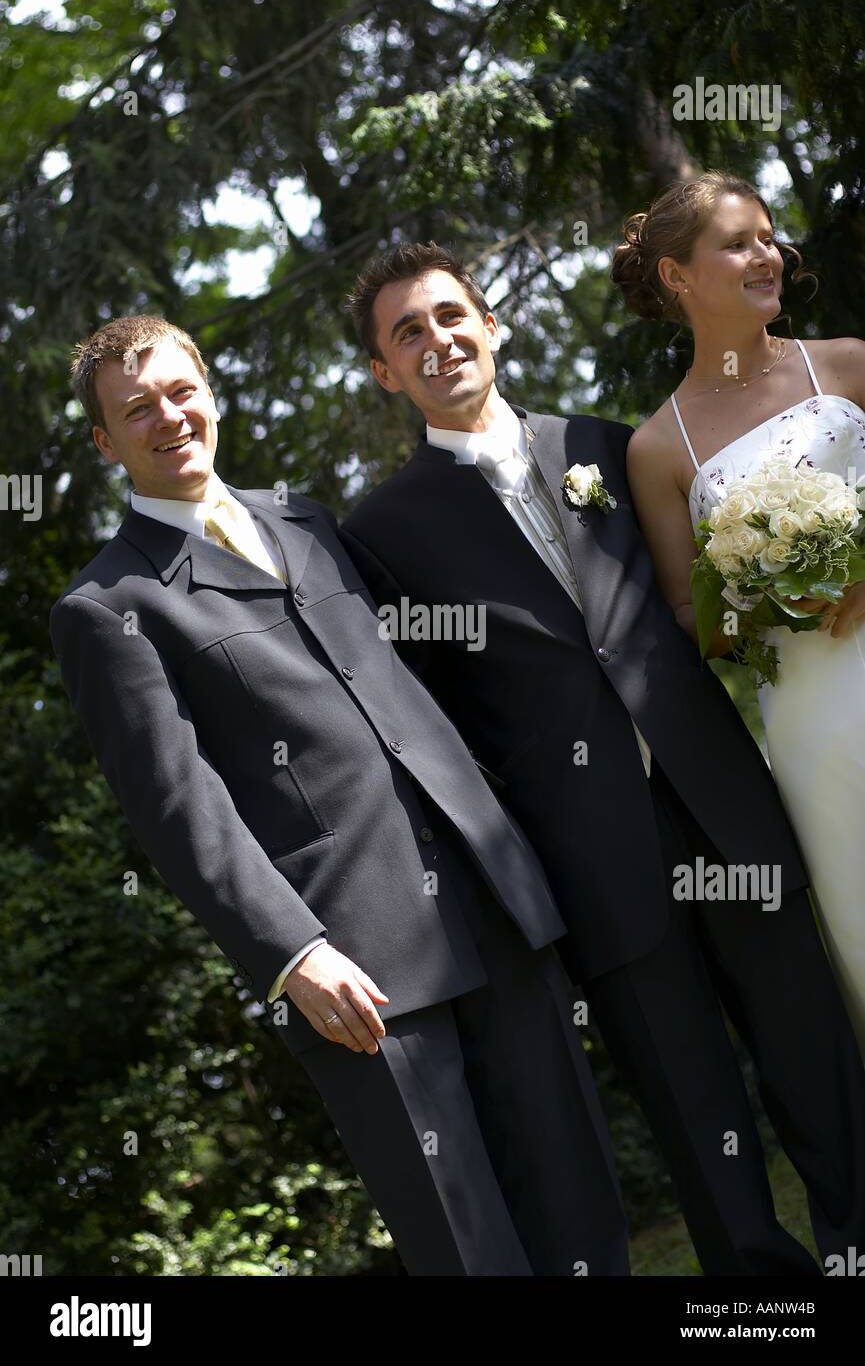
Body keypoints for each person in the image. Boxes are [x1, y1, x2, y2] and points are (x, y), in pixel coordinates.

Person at [49, 314, 630, 1278]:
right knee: (465, 1244)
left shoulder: (309, 521)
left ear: (210, 391)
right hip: (354, 964)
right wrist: (293, 955)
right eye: (136, 409)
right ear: (107, 442)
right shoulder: (108, 608)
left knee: (580, 1206)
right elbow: (179, 810)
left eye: (180, 391)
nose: (169, 417)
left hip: (488, 899)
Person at [340, 240, 865, 1276]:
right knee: (697, 1115)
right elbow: (434, 728)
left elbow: (692, 604)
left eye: (451, 317)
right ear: (385, 374)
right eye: (409, 334)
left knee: (820, 1070)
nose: (437, 341)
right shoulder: (382, 532)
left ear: (491, 327)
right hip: (589, 861)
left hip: (724, 806)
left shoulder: (606, 445)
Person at [613, 170, 865, 1056]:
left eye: (766, 237)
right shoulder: (656, 448)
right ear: (677, 277)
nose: (766, 255)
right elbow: (689, 614)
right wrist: (761, 590)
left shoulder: (846, 364)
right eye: (737, 242)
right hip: (810, 719)